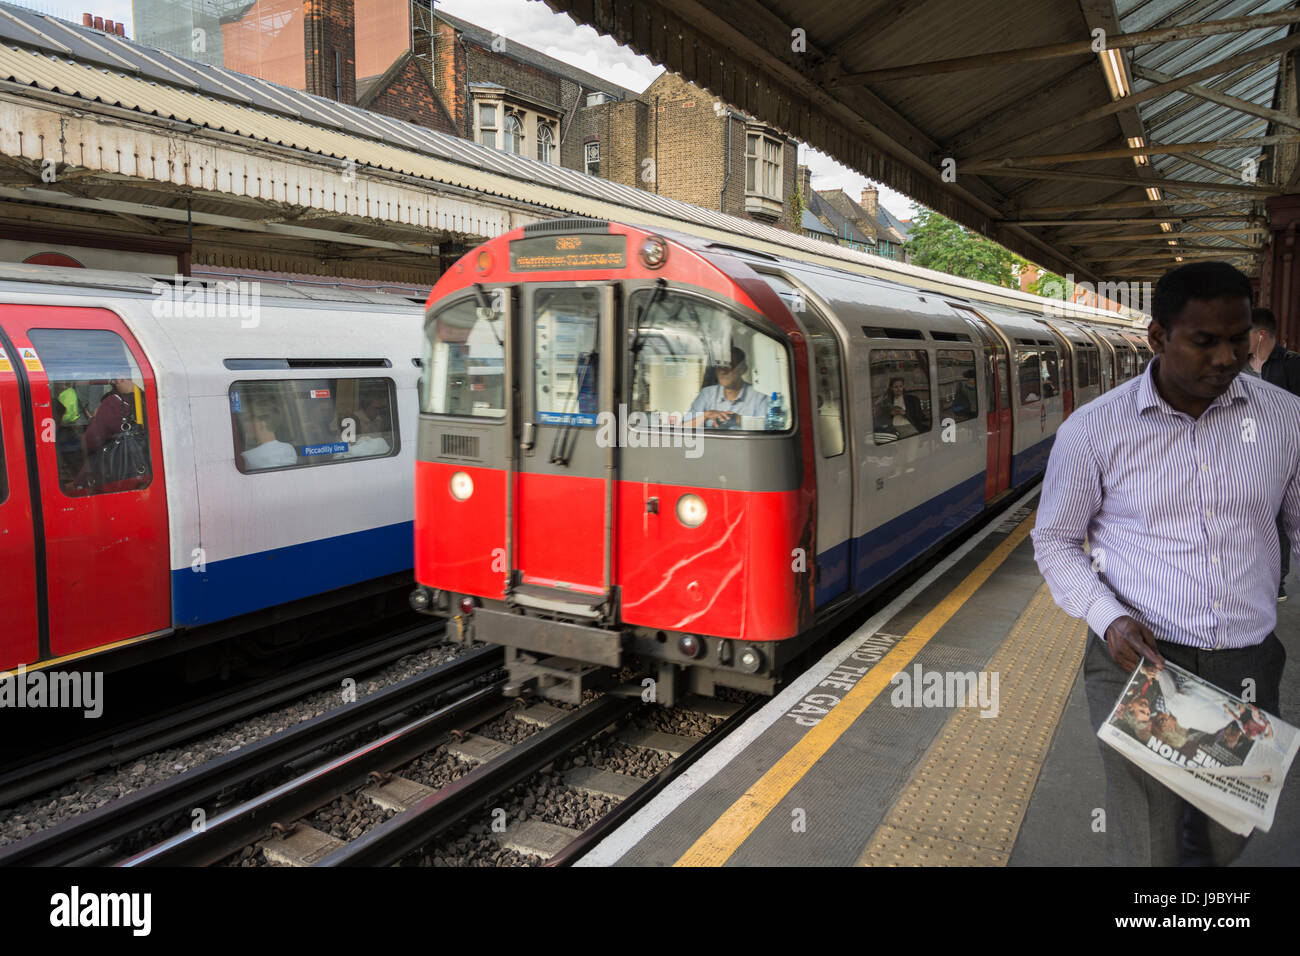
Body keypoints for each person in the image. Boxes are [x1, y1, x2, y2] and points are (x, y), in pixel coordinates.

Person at [1032, 260, 1295, 867]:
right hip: (1143, 665)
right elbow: (1057, 543)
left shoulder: (1285, 421)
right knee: (1149, 840)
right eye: (1205, 341)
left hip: (1246, 663)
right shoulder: (1094, 431)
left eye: (1240, 338)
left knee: (1230, 828)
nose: (1227, 357)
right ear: (1158, 337)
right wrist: (1108, 618)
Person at [1249, 307, 1300, 601]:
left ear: (1261, 335)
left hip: (1283, 455)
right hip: (1248, 454)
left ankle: (1276, 581)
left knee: (1280, 518)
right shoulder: (1240, 366)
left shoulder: (1291, 365)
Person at [685, 346, 769, 428]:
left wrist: (739, 419)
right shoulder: (706, 394)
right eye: (719, 365)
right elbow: (683, 427)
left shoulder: (759, 396)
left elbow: (770, 430)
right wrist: (706, 416)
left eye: (728, 365)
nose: (722, 370)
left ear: (743, 369)